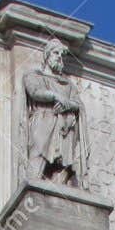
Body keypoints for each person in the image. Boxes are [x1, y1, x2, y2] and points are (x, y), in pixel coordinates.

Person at [24, 38, 88, 187]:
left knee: (64, 163)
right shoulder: (34, 76)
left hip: (65, 127)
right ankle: (32, 184)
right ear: (47, 56)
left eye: (61, 54)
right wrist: (55, 96)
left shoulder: (69, 85)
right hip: (43, 120)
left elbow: (78, 104)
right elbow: (34, 92)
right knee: (38, 153)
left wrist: (67, 105)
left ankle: (58, 189)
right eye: (55, 53)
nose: (59, 57)